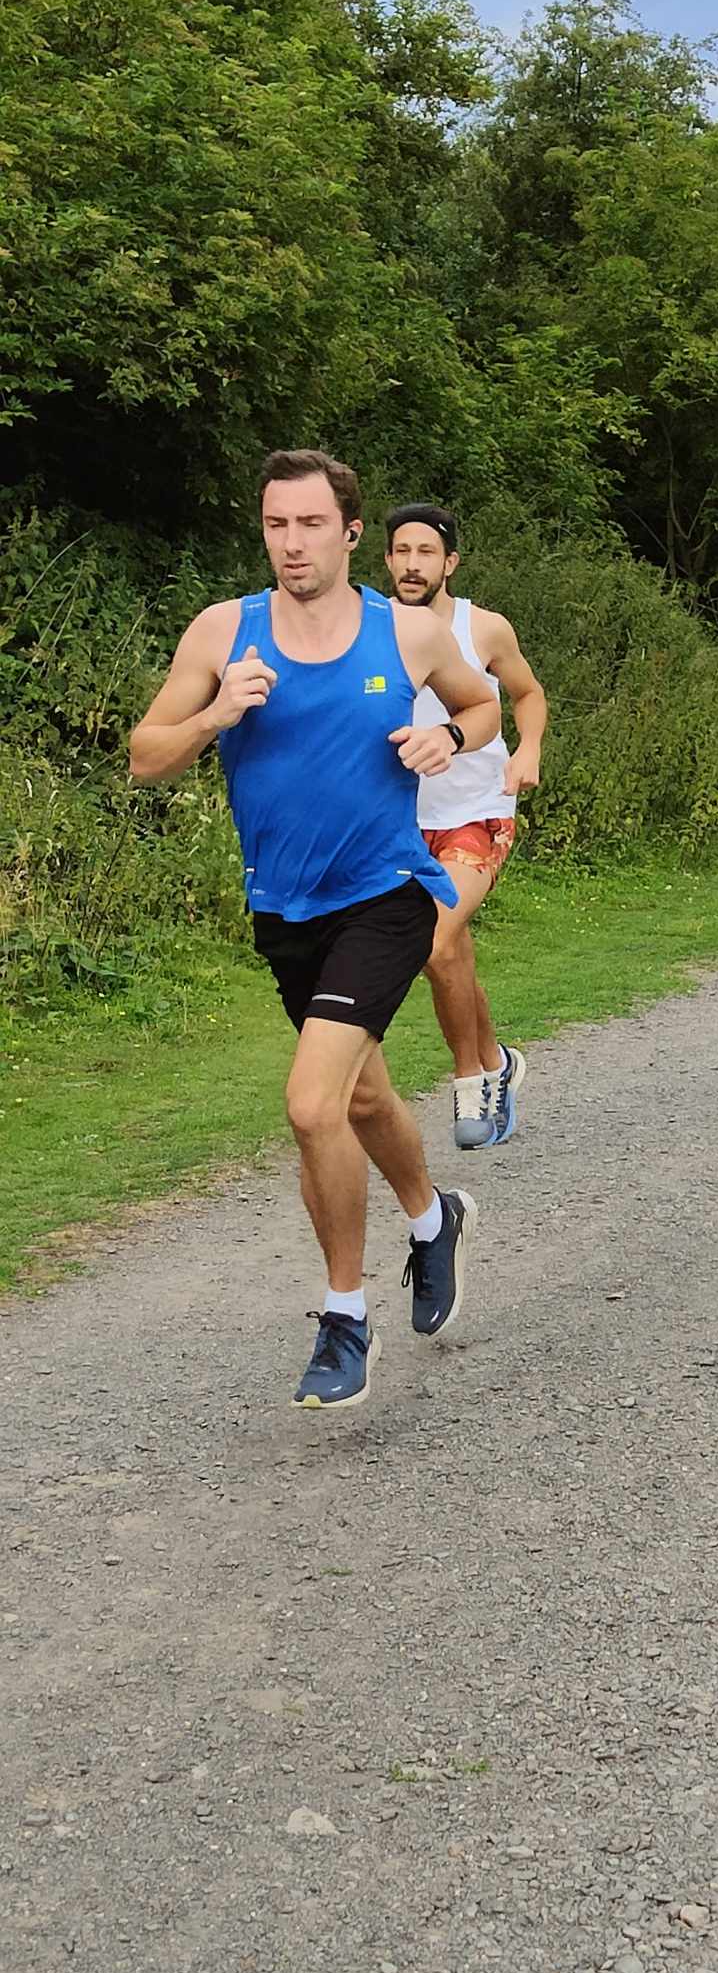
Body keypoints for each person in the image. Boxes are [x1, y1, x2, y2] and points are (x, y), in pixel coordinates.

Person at [128, 450, 503, 1410]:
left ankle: (344, 1319)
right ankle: (435, 1221)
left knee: (310, 1105)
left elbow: (483, 701)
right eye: (275, 525)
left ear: (349, 533)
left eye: (310, 525)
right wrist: (217, 713)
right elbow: (146, 755)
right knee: (362, 1097)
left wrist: (447, 737)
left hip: (386, 896)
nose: (291, 544)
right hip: (284, 912)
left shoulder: (407, 632)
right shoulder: (225, 631)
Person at [386, 503, 547, 1150]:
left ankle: (470, 1081)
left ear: (449, 563)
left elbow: (527, 693)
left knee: (433, 940)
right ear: (387, 559)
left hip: (477, 812)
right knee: (446, 953)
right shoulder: (373, 629)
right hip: (401, 821)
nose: (412, 564)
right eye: (402, 551)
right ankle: (498, 1062)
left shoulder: (483, 628)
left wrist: (528, 750)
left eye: (426, 552)